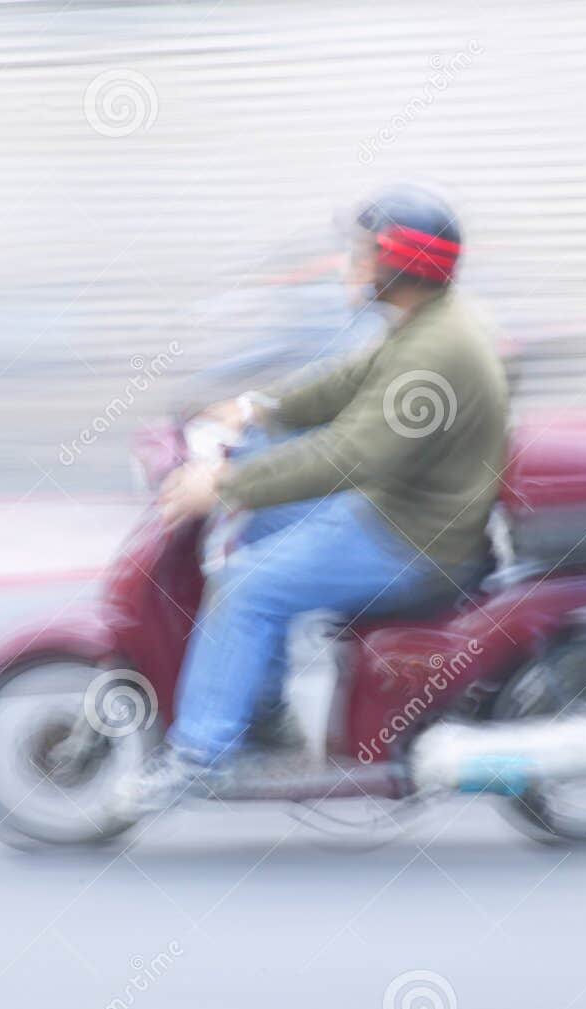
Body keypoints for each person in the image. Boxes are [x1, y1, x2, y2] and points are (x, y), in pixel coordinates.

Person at [115, 183, 509, 815]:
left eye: (363, 254)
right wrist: (257, 409)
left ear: (399, 264)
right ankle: (265, 716)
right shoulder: (425, 323)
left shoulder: (433, 353)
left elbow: (349, 455)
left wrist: (222, 484)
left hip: (410, 540)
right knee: (262, 517)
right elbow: (346, 384)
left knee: (246, 587)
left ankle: (200, 758)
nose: (350, 266)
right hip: (402, 508)